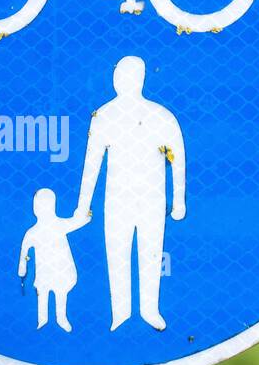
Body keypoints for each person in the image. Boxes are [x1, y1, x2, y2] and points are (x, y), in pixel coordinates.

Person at [75, 56, 185, 331]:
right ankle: (119, 313)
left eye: (130, 75)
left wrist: (180, 200)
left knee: (150, 254)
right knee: (117, 253)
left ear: (141, 79)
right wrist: (83, 206)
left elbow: (178, 159)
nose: (123, 80)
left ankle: (150, 310)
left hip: (152, 199)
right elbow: (92, 163)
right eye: (119, 74)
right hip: (116, 199)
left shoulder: (161, 116)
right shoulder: (104, 116)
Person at [18, 188, 88, 331]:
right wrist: (22, 266)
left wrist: (86, 214)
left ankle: (60, 319)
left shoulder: (58, 225)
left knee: (60, 292)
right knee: (43, 293)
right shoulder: (33, 231)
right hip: (44, 271)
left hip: (60, 269)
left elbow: (77, 221)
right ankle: (42, 320)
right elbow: (24, 250)